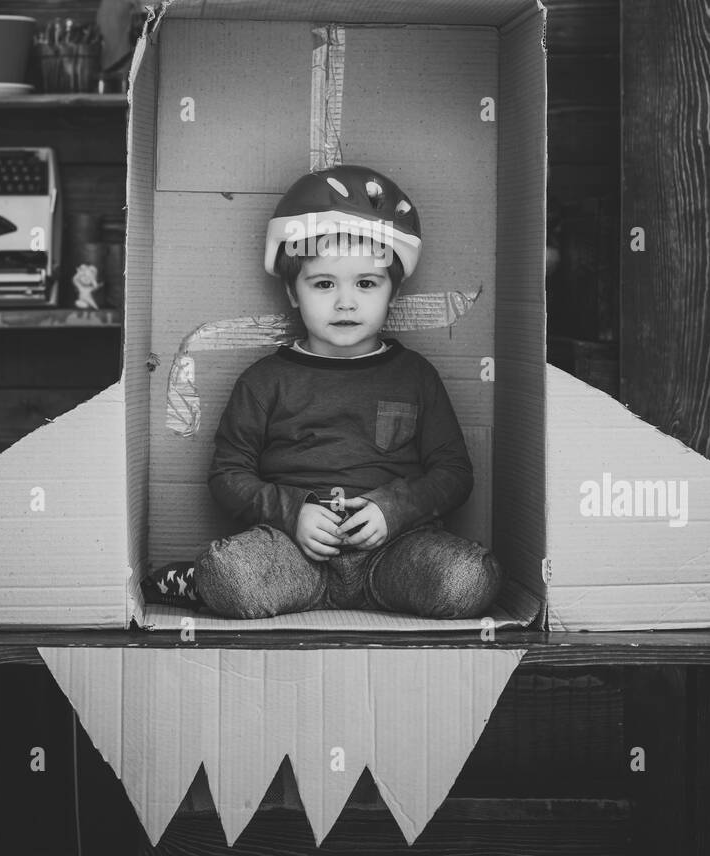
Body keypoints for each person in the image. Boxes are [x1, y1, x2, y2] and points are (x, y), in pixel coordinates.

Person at [143, 165, 502, 619]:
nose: (345, 302)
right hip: (294, 555)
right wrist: (294, 514)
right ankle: (198, 582)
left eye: (367, 284)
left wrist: (393, 509)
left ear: (393, 291)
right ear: (294, 292)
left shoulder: (416, 376)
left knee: (468, 579)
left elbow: (453, 473)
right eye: (324, 284)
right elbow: (228, 476)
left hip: (397, 551)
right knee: (232, 574)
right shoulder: (264, 380)